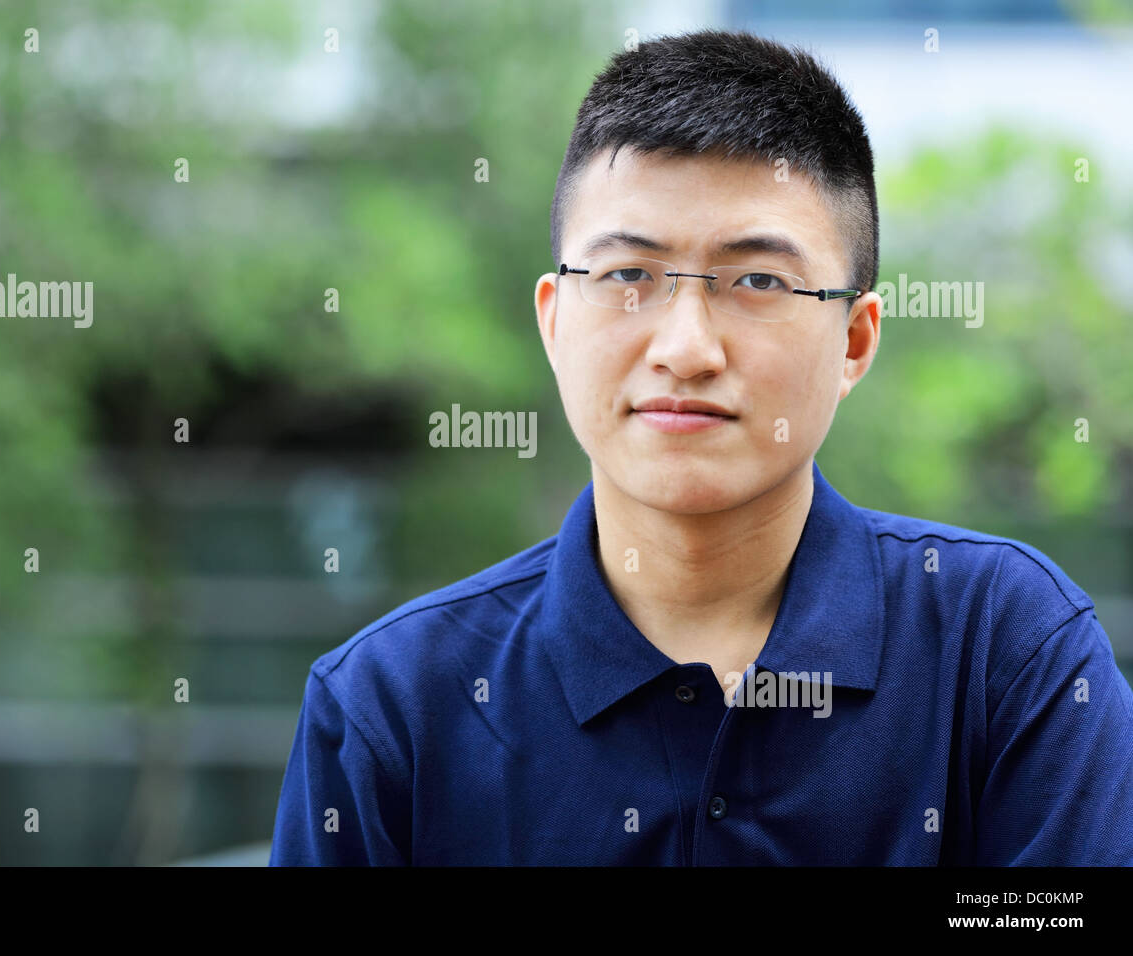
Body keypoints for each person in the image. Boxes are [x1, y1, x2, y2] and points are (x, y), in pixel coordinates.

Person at [269, 29, 1133, 865]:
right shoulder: (392, 708)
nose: (685, 347)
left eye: (758, 280)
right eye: (627, 276)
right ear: (555, 320)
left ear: (857, 341)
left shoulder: (1005, 652)